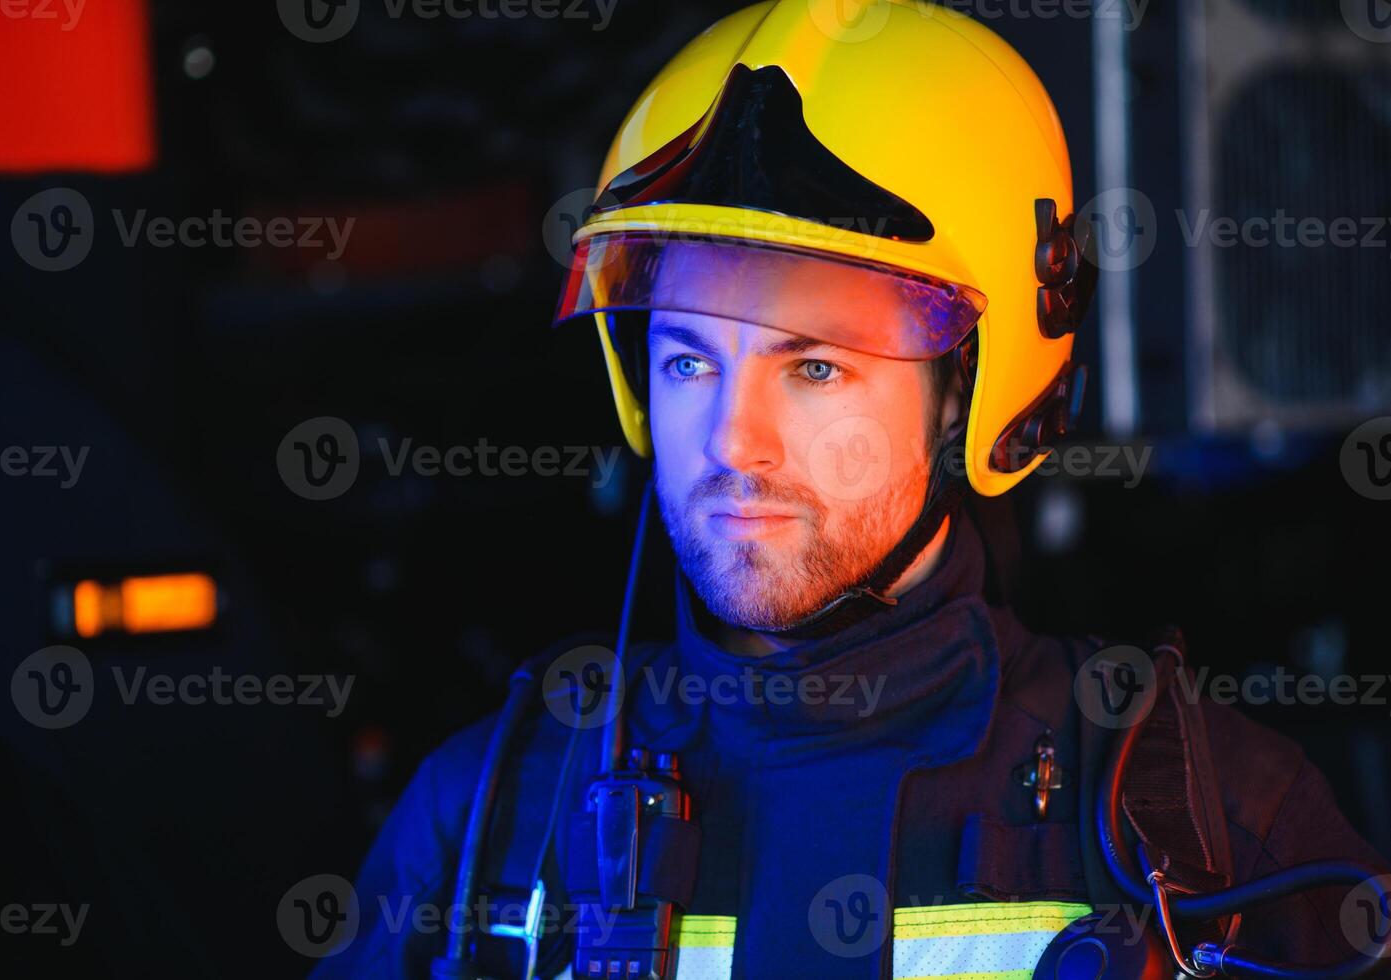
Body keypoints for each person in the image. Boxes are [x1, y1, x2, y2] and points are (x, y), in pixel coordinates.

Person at [313, 1, 1390, 976]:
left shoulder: (1208, 823)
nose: (734, 442)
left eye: (815, 366)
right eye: (688, 360)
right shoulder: (484, 820)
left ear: (967, 392)